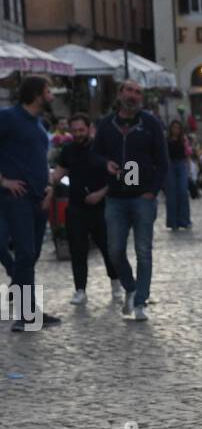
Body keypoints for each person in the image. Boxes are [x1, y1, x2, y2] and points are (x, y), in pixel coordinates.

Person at [93, 79, 168, 322]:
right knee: (114, 250)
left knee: (143, 251)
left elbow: (162, 161)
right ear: (120, 94)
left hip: (142, 198)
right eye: (129, 90)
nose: (134, 95)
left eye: (138, 92)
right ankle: (130, 286)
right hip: (116, 198)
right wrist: (105, 164)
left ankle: (140, 302)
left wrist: (153, 191)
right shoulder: (106, 124)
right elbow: (95, 155)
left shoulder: (151, 124)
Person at [0, 74, 61, 330]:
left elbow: (38, 159)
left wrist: (48, 186)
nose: (52, 96)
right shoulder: (9, 117)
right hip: (17, 197)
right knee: (25, 252)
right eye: (48, 91)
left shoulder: (38, 122)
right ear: (37, 94)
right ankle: (25, 316)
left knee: (31, 255)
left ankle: (29, 309)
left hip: (39, 196)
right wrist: (3, 181)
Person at [51, 111, 122, 305]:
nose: (78, 134)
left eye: (81, 130)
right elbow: (60, 170)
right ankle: (80, 289)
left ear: (89, 129)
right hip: (76, 208)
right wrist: (51, 181)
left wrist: (100, 194)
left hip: (102, 208)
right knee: (77, 250)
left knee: (109, 249)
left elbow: (118, 177)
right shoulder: (67, 150)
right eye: (74, 131)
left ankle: (116, 283)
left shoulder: (102, 149)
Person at [165, 118, 192, 231]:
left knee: (182, 192)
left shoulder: (183, 139)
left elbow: (188, 154)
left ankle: (184, 220)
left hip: (181, 165)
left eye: (178, 128)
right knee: (171, 194)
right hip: (170, 165)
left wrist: (189, 168)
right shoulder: (166, 140)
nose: (176, 130)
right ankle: (173, 222)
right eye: (174, 127)